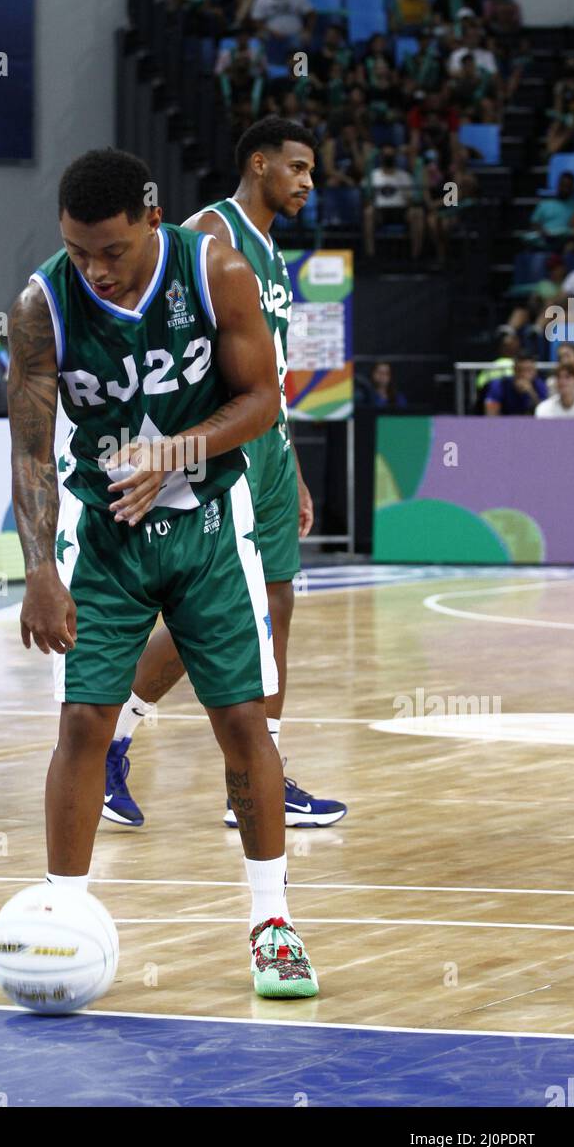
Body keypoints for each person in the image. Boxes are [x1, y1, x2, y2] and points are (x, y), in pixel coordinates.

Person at [8, 146, 320, 998]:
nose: (95, 270)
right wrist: (39, 568)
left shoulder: (213, 270)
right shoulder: (43, 304)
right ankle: (64, 908)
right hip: (105, 539)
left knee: (243, 725)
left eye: (111, 251)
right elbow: (31, 448)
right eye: (78, 251)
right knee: (81, 724)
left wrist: (178, 450)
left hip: (212, 530)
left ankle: (273, 928)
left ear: (151, 221)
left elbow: (261, 397)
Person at [101, 119, 347, 832]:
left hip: (269, 450)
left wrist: (293, 464)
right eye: (298, 168)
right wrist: (169, 448)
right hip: (218, 450)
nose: (307, 183)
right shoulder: (207, 231)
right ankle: (113, 735)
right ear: (259, 163)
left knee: (276, 607)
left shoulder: (270, 250)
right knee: (214, 616)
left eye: (313, 172)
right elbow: (154, 333)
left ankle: (262, 781)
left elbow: (268, 373)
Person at [363, 145, 425, 260]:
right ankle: (370, 256)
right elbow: (367, 198)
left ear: (395, 158)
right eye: (386, 156)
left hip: (400, 212)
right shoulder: (374, 175)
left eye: (391, 156)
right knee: (368, 212)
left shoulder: (404, 176)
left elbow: (413, 200)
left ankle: (416, 257)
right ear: (381, 158)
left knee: (417, 212)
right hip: (381, 212)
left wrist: (409, 202)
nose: (388, 158)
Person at [527, 172, 574, 249]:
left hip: (569, 244)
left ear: (573, 188)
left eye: (568, 186)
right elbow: (534, 223)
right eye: (563, 185)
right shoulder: (544, 204)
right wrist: (544, 233)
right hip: (545, 242)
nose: (565, 189)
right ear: (558, 185)